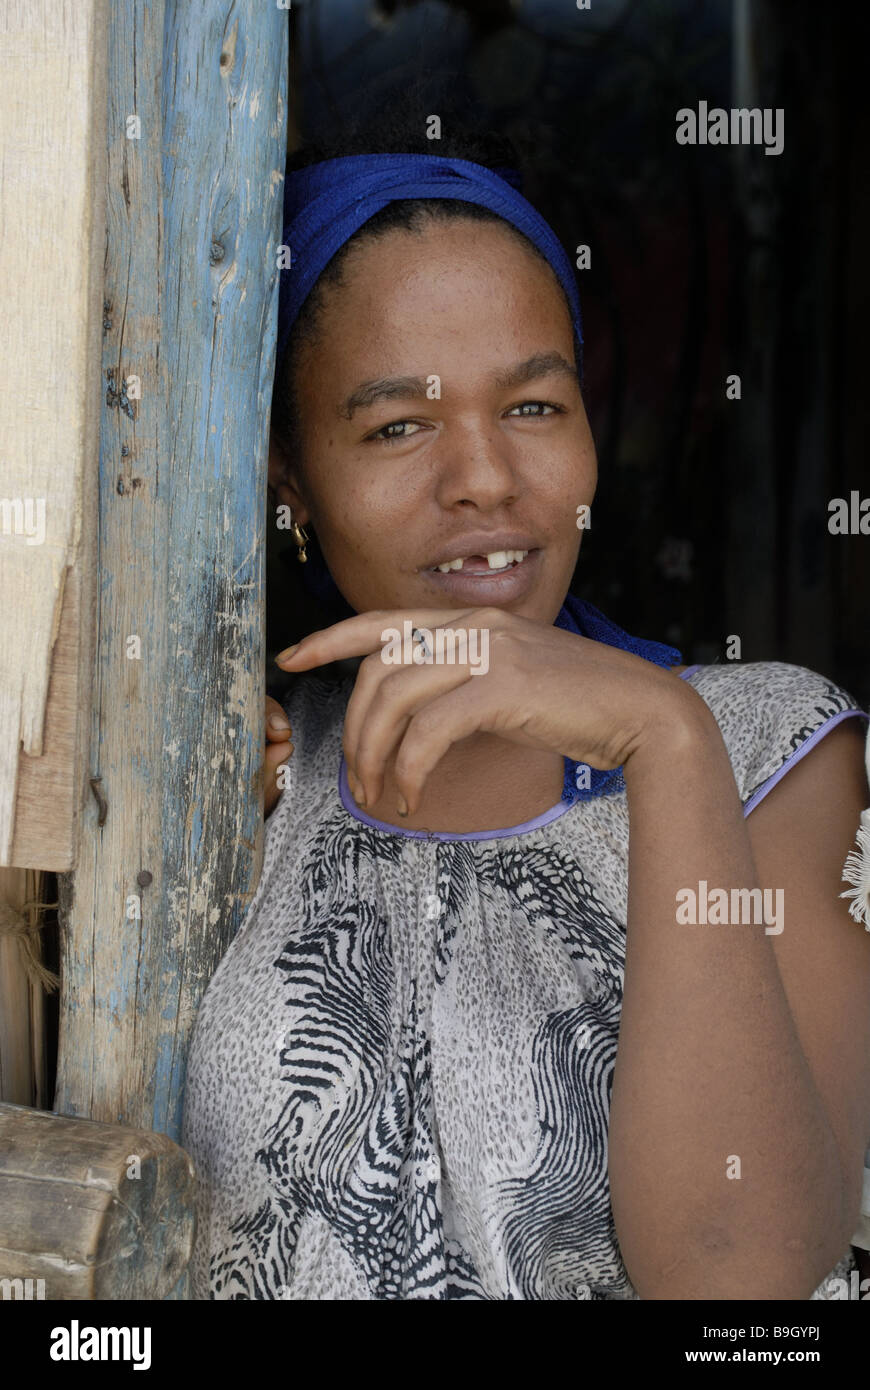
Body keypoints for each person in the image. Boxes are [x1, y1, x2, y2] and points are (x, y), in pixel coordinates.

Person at [181, 108, 870, 1300]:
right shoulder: (233, 764)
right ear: (289, 475)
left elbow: (744, 1280)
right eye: (398, 425)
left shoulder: (770, 749)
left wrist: (664, 741)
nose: (487, 478)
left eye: (535, 407)